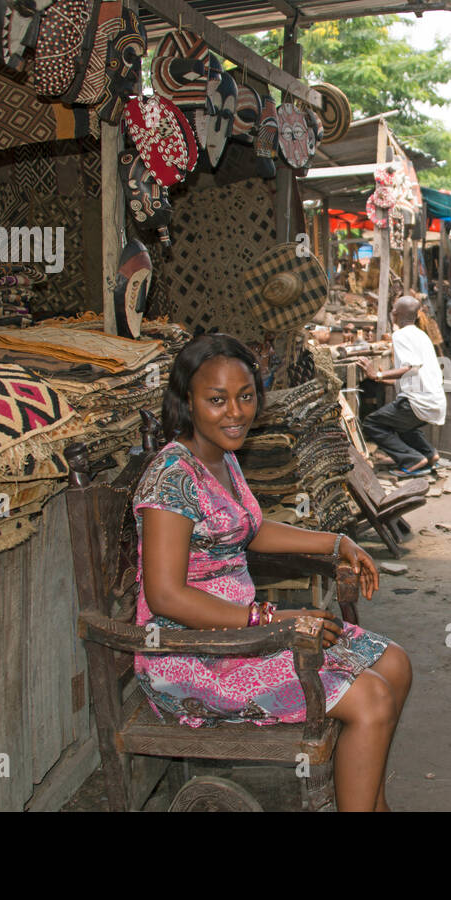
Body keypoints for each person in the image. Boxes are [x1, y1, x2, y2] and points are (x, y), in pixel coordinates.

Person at [135, 334, 411, 811]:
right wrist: (272, 620)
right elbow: (165, 596)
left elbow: (253, 528)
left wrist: (337, 542)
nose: (236, 412)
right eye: (216, 400)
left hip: (242, 635)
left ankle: (369, 803)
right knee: (370, 700)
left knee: (395, 665)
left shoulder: (219, 457)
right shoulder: (171, 479)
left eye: (245, 396)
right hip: (193, 654)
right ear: (186, 401)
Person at [358, 295, 447, 477]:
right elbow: (415, 373)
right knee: (401, 424)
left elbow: (410, 367)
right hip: (434, 401)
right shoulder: (421, 335)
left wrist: (377, 374)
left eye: (393, 310)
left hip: (418, 402)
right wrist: (381, 379)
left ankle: (412, 460)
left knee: (371, 423)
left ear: (395, 314)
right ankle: (429, 455)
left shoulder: (400, 335)